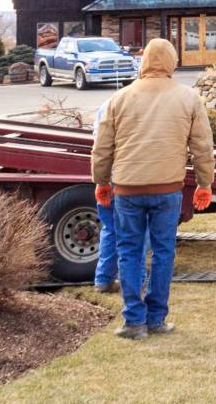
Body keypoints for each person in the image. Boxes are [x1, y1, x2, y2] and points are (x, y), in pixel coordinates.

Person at [91, 38, 215, 339]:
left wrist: (101, 181)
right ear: (172, 61)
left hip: (127, 190)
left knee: (129, 252)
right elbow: (203, 147)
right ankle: (157, 319)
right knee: (163, 252)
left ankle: (134, 321)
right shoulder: (189, 98)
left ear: (143, 61)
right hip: (168, 189)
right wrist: (204, 183)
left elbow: (102, 147)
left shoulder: (119, 99)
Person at [91, 95, 119, 293]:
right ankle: (136, 280)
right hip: (128, 179)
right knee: (137, 233)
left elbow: (99, 148)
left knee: (110, 229)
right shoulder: (138, 105)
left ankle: (103, 279)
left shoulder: (106, 105)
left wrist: (101, 181)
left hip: (110, 178)